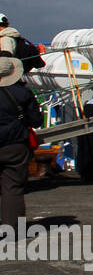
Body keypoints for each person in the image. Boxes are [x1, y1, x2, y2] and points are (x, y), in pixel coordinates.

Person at [0, 55, 41, 233]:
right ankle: (10, 229)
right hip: (14, 145)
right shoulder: (22, 93)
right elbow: (36, 120)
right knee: (13, 188)